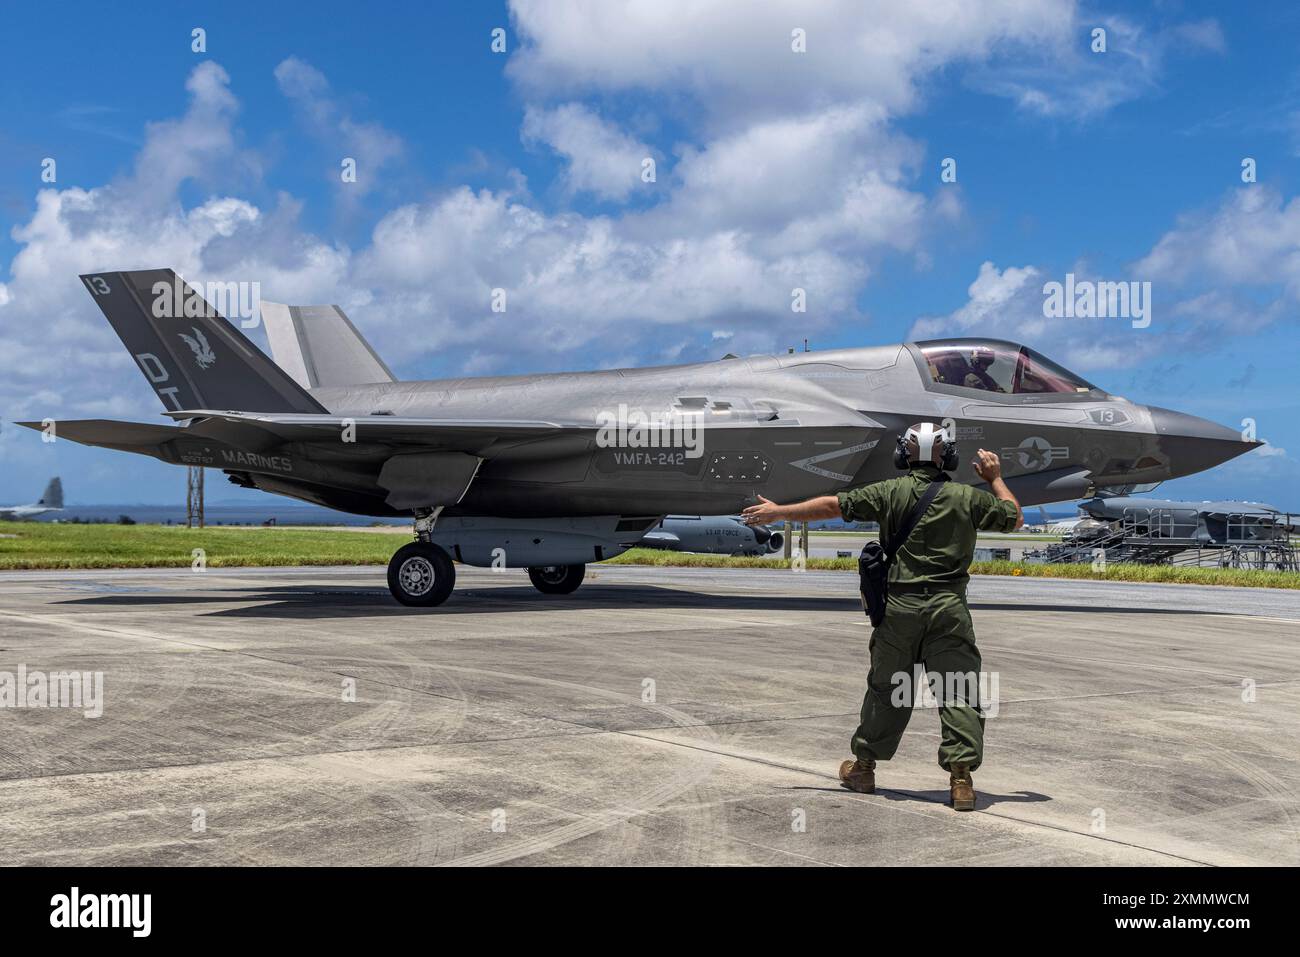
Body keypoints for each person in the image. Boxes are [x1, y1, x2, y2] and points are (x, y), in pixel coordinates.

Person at [741, 422, 1022, 810]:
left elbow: (831, 505)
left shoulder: (888, 492)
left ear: (903, 455)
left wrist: (778, 512)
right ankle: (961, 781)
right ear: (950, 457)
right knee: (959, 691)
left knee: (886, 689)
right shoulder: (965, 497)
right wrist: (995, 477)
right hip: (948, 611)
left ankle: (864, 769)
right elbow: (1012, 516)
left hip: (899, 612)